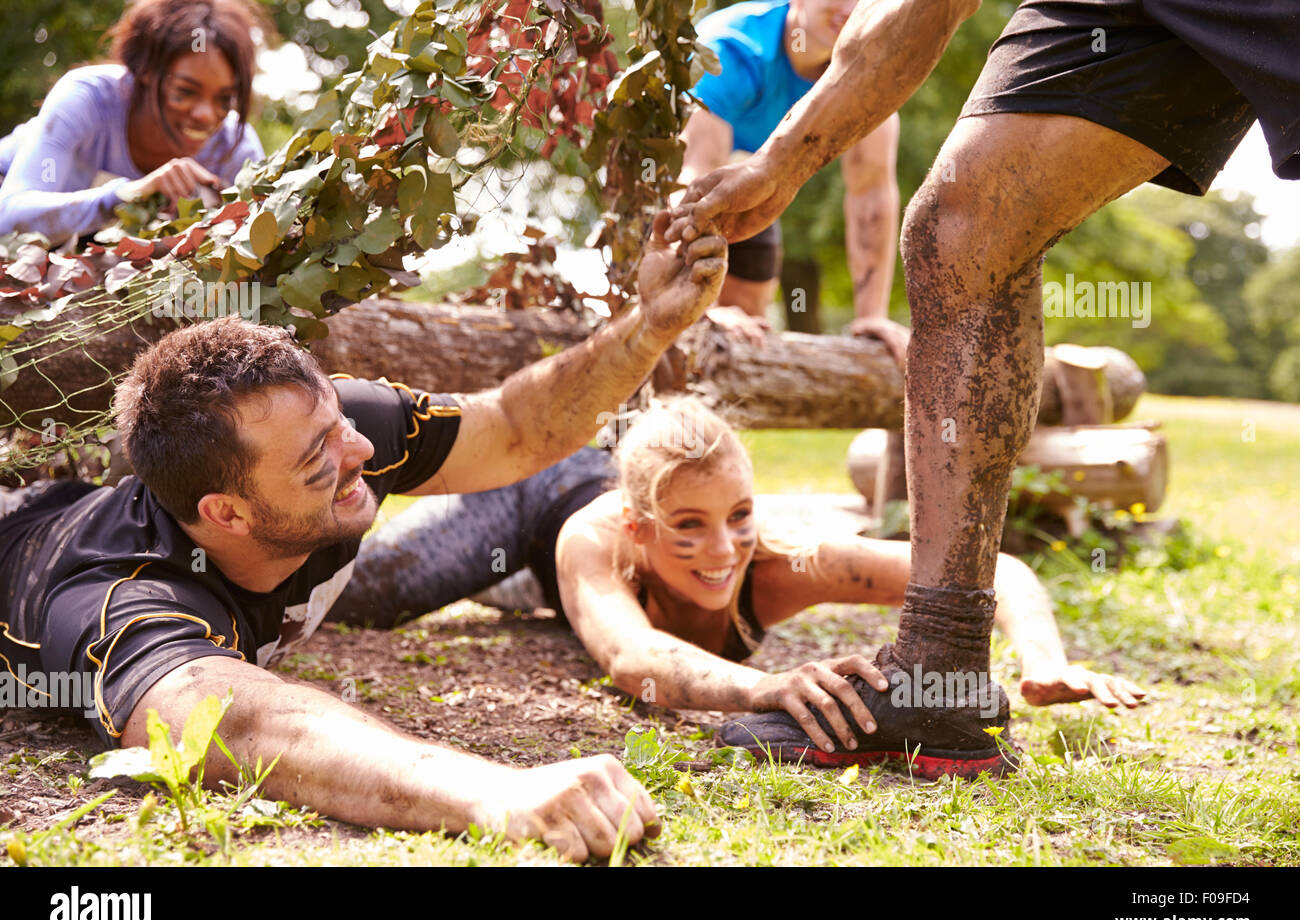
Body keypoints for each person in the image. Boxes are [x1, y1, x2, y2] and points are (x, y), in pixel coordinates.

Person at [667, 0, 1296, 762]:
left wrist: (780, 168)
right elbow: (910, 14)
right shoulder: (735, 51)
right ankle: (942, 673)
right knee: (964, 226)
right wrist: (780, 163)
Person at [0, 215, 727, 862]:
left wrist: (650, 324)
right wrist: (494, 792)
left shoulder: (329, 429)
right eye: (319, 460)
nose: (359, 453)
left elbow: (510, 426)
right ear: (227, 513)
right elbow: (244, 723)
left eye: (339, 421)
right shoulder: (122, 598)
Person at [335, 398, 1144, 780]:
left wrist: (1040, 659)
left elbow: (994, 569)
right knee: (358, 595)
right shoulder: (599, 538)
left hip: (588, 530)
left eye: (740, 515)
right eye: (688, 526)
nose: (722, 551)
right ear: (641, 528)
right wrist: (767, 687)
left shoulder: (779, 562)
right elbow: (631, 656)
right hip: (531, 513)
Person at [680, 0, 900, 343]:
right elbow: (692, 178)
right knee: (682, 324)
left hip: (747, 182)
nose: (851, 8)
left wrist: (872, 318)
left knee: (748, 332)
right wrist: (698, 305)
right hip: (666, 186)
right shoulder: (731, 50)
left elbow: (871, 191)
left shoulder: (868, 76)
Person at [0, 0, 266, 244]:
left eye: (224, 99)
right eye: (184, 92)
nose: (206, 115)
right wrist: (124, 196)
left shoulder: (235, 150)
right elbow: (9, 217)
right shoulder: (88, 100)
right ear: (147, 70)